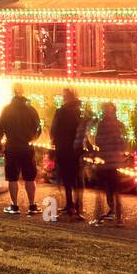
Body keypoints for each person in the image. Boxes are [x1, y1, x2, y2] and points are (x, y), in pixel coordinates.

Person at [0, 83, 42, 215]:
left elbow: (0, 128)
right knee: (29, 177)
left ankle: (14, 205)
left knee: (12, 178)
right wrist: (33, 139)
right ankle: (32, 205)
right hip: (27, 147)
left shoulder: (6, 109)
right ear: (23, 92)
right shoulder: (31, 110)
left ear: (12, 92)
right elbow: (39, 128)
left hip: (11, 147)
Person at [50, 88, 86, 217]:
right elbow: (82, 131)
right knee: (76, 178)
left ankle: (69, 205)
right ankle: (78, 206)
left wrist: (53, 142)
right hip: (76, 150)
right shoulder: (79, 112)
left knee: (66, 179)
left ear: (67, 98)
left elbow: (54, 130)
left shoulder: (61, 112)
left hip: (63, 149)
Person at [91, 102, 127, 223]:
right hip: (116, 160)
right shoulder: (119, 124)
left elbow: (98, 141)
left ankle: (108, 212)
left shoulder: (102, 124)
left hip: (106, 160)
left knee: (106, 187)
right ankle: (118, 214)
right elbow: (123, 142)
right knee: (115, 187)